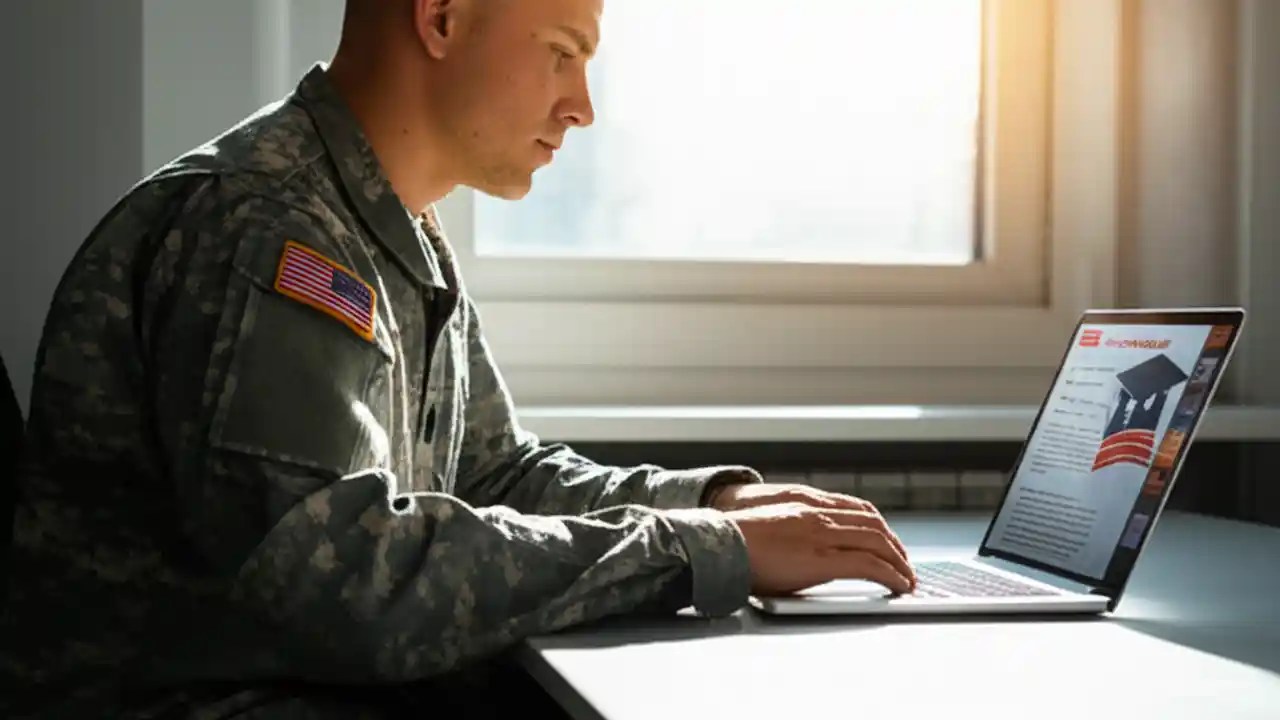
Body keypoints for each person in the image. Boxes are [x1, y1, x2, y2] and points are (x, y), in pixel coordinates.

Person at [0, 0, 917, 716]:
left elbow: (495, 477)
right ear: (441, 18)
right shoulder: (271, 228)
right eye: (563, 50)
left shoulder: (391, 231)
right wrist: (702, 551)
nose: (582, 106)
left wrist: (712, 504)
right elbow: (340, 580)